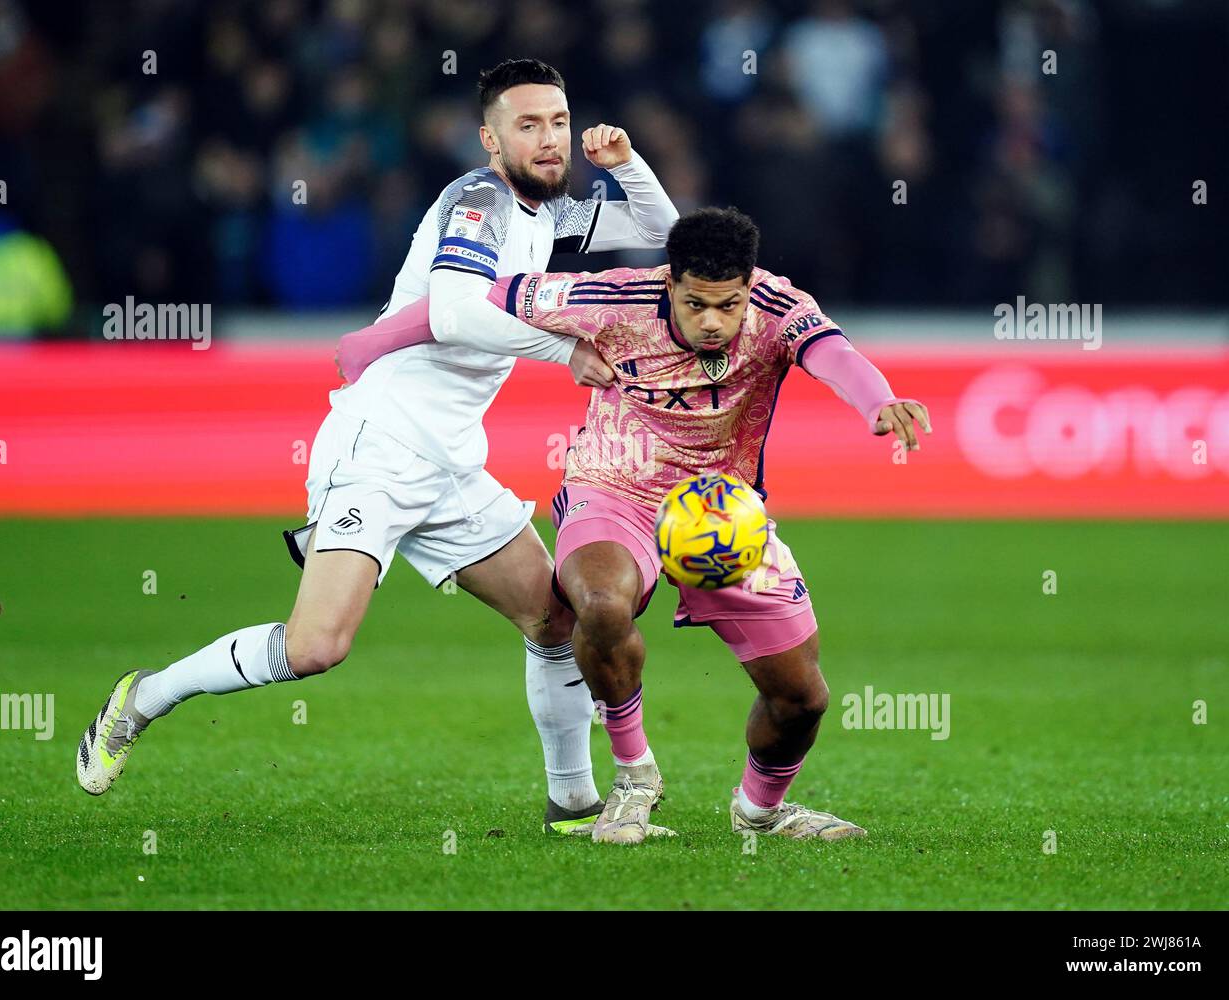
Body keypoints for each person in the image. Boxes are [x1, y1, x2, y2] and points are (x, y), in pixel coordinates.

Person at [77, 60, 679, 840]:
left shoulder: (553, 215)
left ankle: (573, 803)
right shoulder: (478, 201)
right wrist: (564, 351)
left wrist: (625, 162)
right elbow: (457, 313)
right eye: (526, 124)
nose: (548, 137)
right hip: (381, 447)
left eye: (558, 121)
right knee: (317, 647)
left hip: (453, 461)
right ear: (490, 140)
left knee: (557, 620)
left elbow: (665, 233)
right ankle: (144, 697)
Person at [334, 206, 932, 843]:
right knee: (598, 602)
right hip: (615, 490)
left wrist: (879, 401)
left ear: (748, 288)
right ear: (668, 282)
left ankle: (761, 809)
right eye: (696, 303)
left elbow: (834, 354)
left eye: (728, 306)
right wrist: (370, 342)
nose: (712, 321)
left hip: (723, 516)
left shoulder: (779, 308)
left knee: (802, 698)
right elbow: (459, 302)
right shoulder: (612, 298)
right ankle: (633, 776)